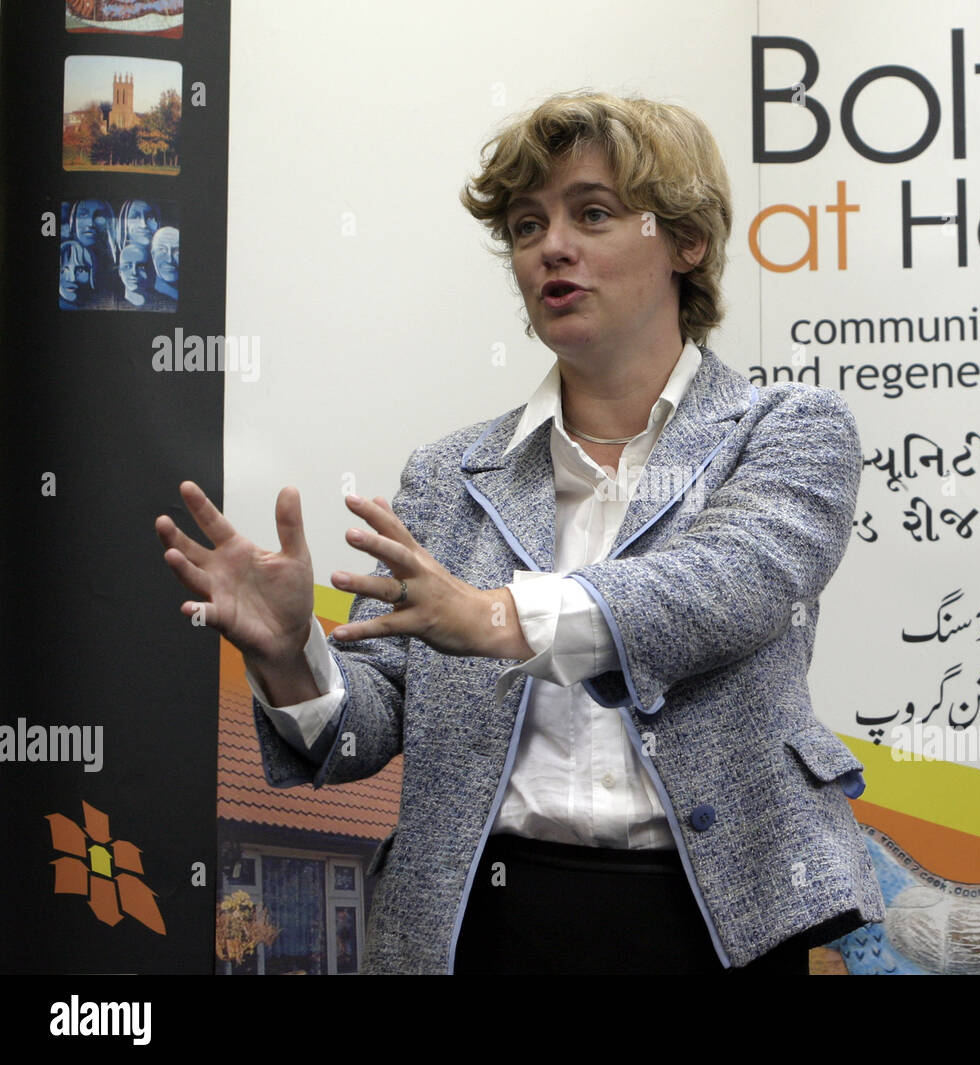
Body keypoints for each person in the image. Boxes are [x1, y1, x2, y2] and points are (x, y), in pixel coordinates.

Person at [156, 90, 882, 974]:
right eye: (527, 225)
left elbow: (724, 587)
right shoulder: (449, 471)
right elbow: (365, 727)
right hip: (485, 921)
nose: (551, 247)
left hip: (718, 921)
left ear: (687, 240)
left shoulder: (789, 427)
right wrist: (289, 655)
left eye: (593, 214)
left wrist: (498, 617)